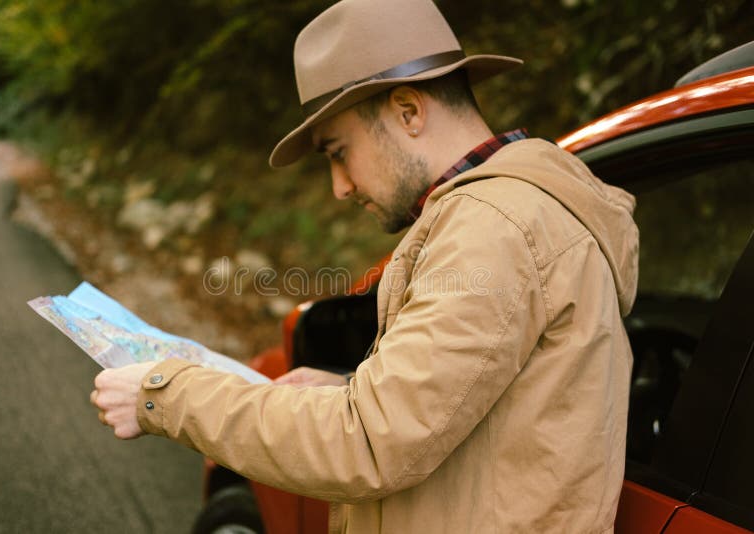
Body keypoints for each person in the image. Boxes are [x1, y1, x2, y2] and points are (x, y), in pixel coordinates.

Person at [91, 0, 639, 531]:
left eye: (338, 151)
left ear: (408, 111)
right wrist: (350, 390)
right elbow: (488, 419)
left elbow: (367, 444)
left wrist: (166, 394)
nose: (339, 187)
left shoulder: (493, 227)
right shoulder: (516, 217)